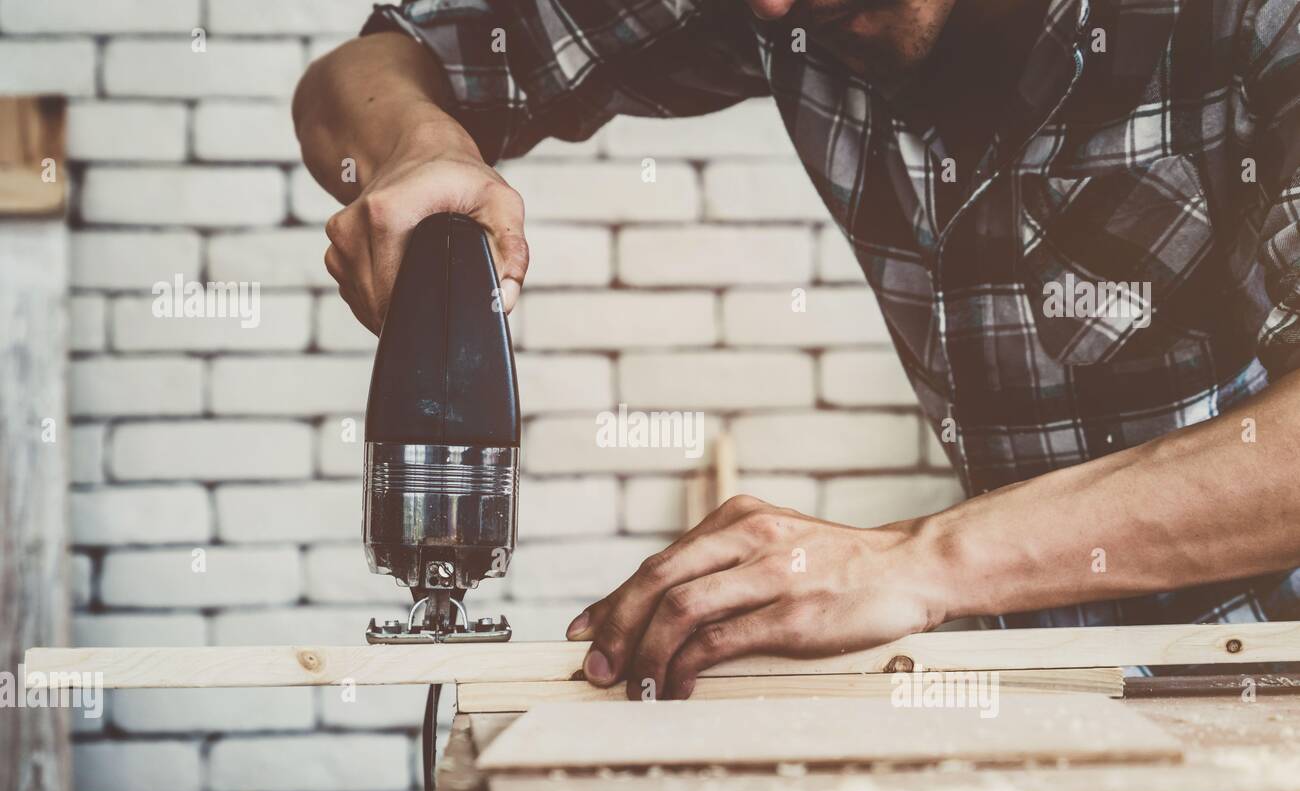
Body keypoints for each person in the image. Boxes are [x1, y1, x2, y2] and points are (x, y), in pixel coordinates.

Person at [294, 1, 1300, 700]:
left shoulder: (1248, 21)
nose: (773, 11)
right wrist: (417, 145)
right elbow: (362, 71)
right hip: (1052, 689)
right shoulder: (783, 9)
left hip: (1268, 676)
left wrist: (923, 562)